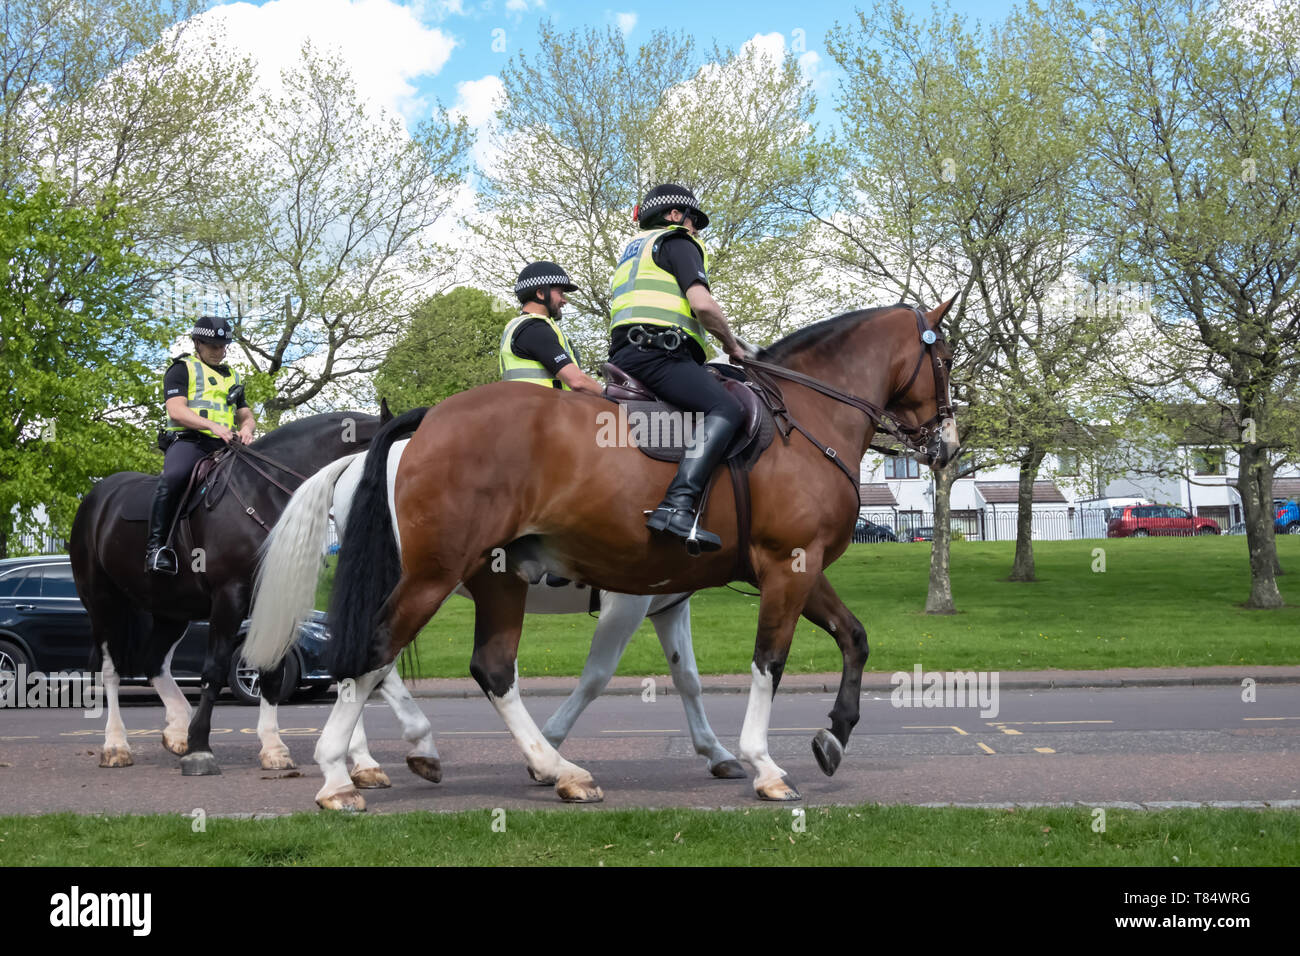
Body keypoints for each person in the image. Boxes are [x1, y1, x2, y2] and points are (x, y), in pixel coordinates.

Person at [608, 183, 748, 553]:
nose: (696, 230)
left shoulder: (633, 253)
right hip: (660, 354)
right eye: (693, 221)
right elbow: (702, 306)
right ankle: (677, 505)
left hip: (626, 353)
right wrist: (732, 346)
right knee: (726, 408)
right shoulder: (678, 242)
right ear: (674, 216)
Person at [144, 316, 255, 574]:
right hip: (190, 443)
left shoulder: (234, 376)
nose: (219, 351)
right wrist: (212, 426)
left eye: (223, 346)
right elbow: (176, 411)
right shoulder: (182, 369)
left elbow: (246, 414)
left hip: (228, 445)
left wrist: (247, 428)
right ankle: (156, 548)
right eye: (213, 346)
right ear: (197, 343)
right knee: (173, 477)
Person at [498, 261, 603, 395]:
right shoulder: (535, 329)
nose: (564, 300)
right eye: (560, 293)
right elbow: (578, 381)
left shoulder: (518, 327)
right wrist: (609, 397)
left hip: (526, 408)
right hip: (544, 411)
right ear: (541, 293)